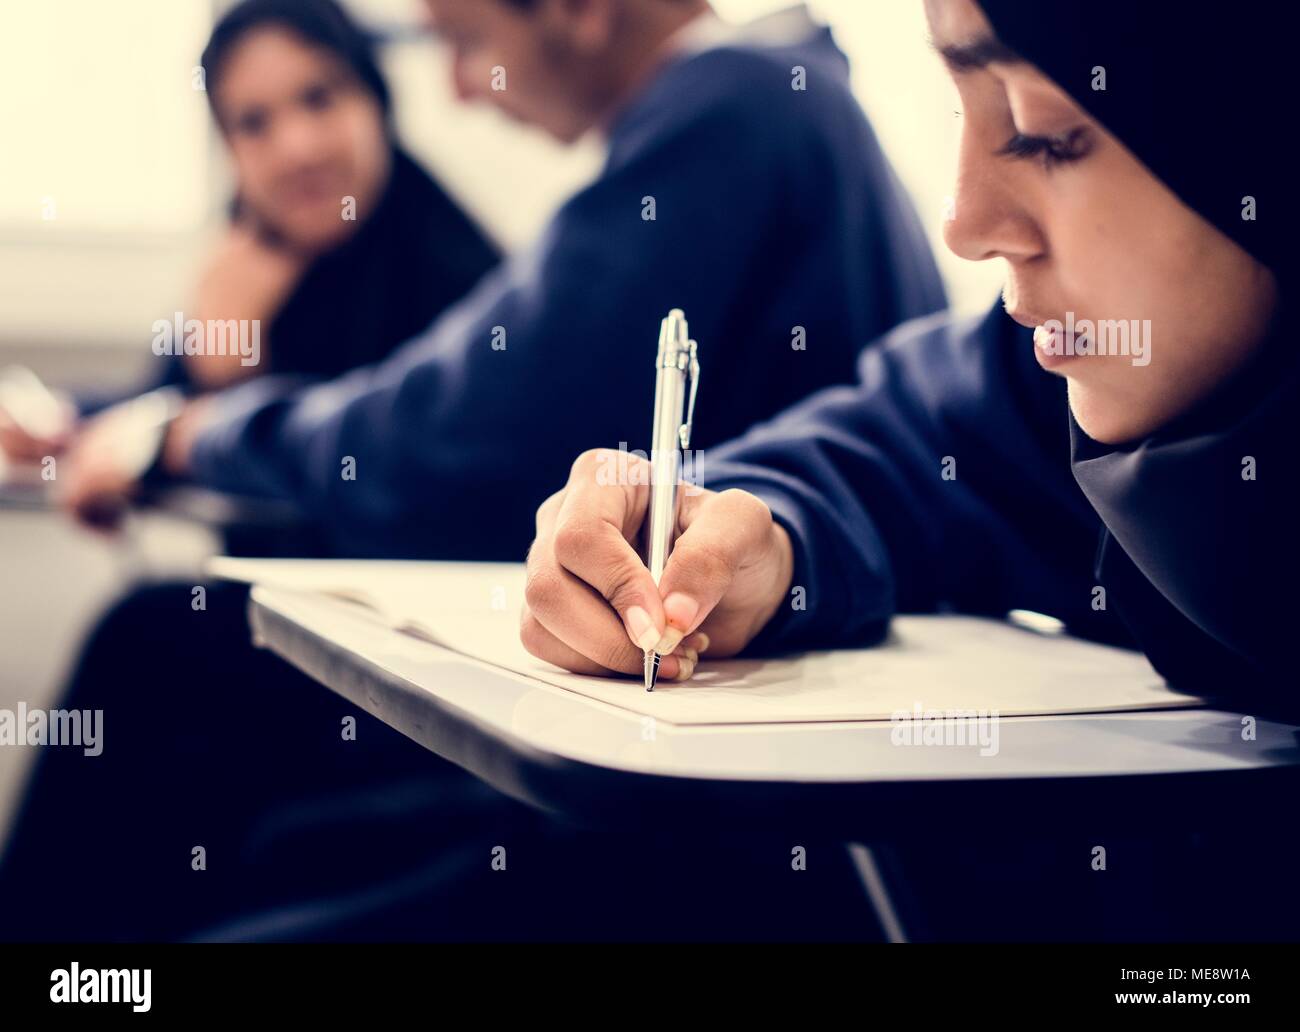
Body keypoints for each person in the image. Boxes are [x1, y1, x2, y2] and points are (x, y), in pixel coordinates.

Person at [0, 0, 944, 941]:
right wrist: (118, 416)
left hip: (713, 789)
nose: (455, 86)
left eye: (463, 42)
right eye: (250, 122)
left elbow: (441, 437)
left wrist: (191, 431)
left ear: (575, 12)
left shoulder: (733, 110)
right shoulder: (764, 106)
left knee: (162, 672)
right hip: (685, 728)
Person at [519, 0, 1297, 937]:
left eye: (1047, 135)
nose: (965, 223)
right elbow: (904, 438)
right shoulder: (1068, 374)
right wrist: (758, 537)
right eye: (965, 112)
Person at [0, 0, 500, 537]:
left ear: (376, 101)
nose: (296, 148)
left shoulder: (463, 278)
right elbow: (159, 406)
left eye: (319, 98)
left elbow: (378, 457)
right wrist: (61, 421)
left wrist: (211, 402)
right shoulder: (260, 250)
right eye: (254, 122)